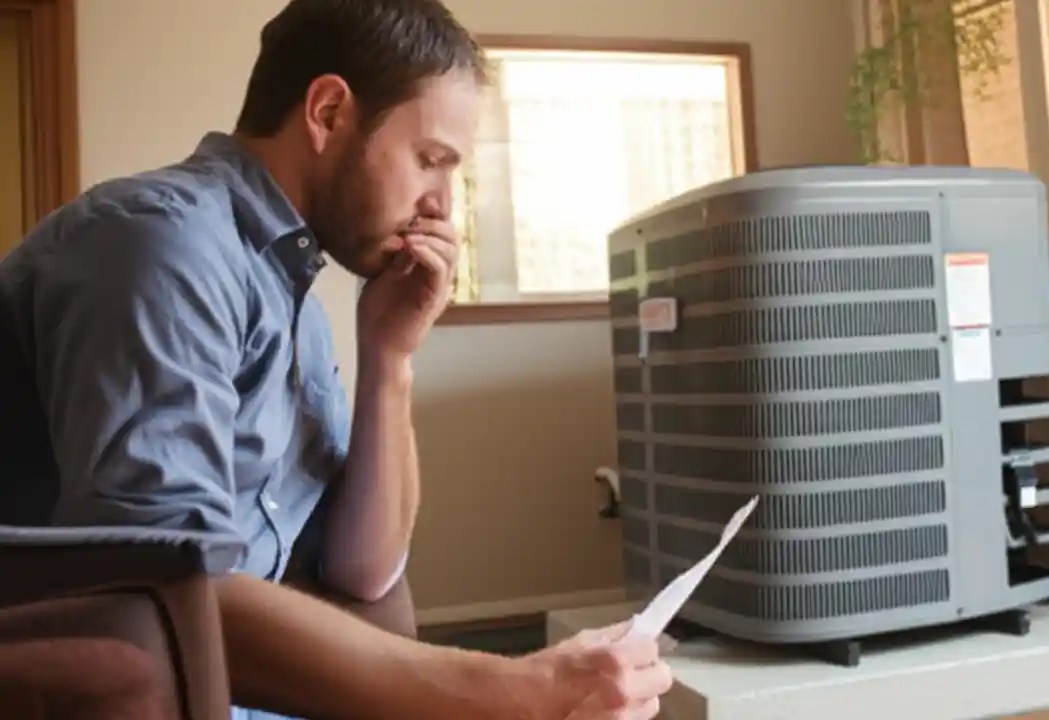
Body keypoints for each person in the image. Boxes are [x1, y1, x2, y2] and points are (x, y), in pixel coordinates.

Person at [0, 0, 672, 718]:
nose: (442, 207)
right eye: (430, 160)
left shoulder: (295, 295)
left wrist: (391, 356)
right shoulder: (163, 251)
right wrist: (519, 692)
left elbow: (364, 570)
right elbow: (166, 594)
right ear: (326, 112)